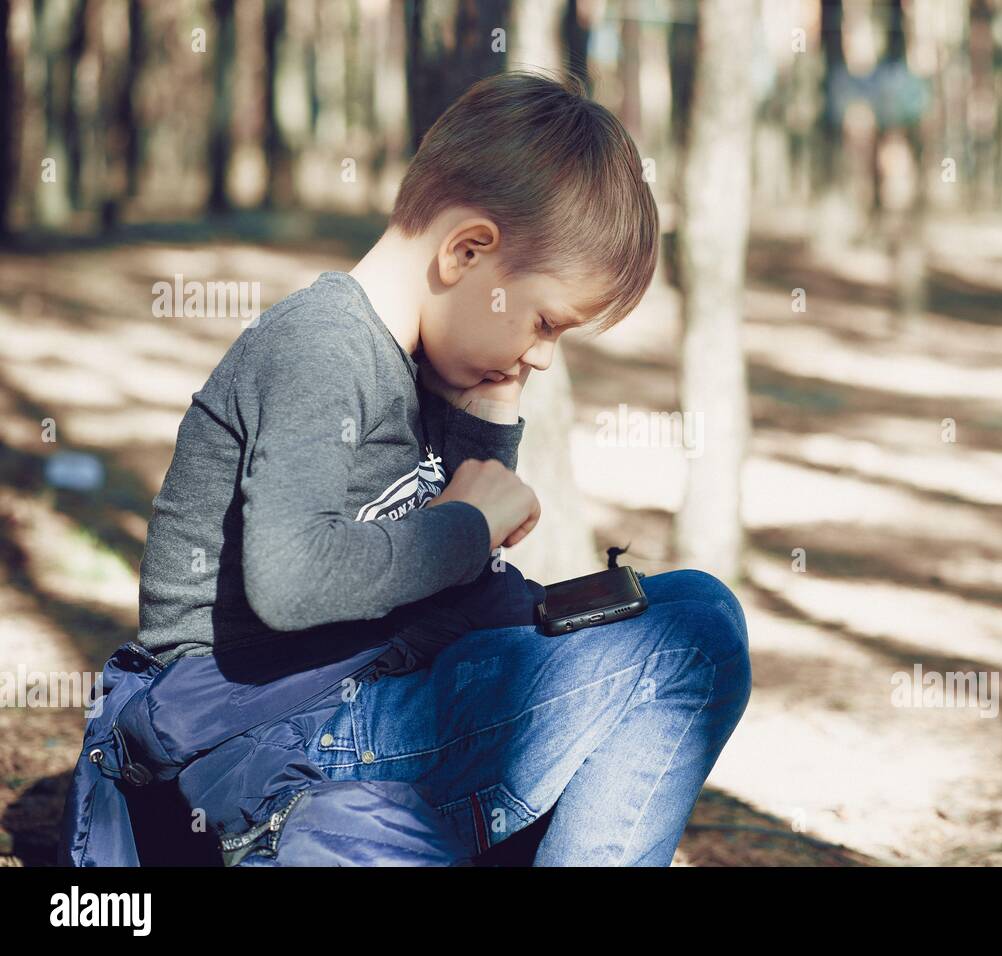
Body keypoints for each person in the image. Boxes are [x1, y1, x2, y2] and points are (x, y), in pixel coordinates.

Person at [66, 70, 751, 868]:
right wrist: (466, 524)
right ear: (467, 249)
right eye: (543, 323)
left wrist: (486, 423)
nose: (542, 356)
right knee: (693, 640)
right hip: (262, 736)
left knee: (698, 608)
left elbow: (463, 592)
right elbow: (292, 577)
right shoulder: (320, 348)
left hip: (358, 712)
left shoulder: (425, 367)